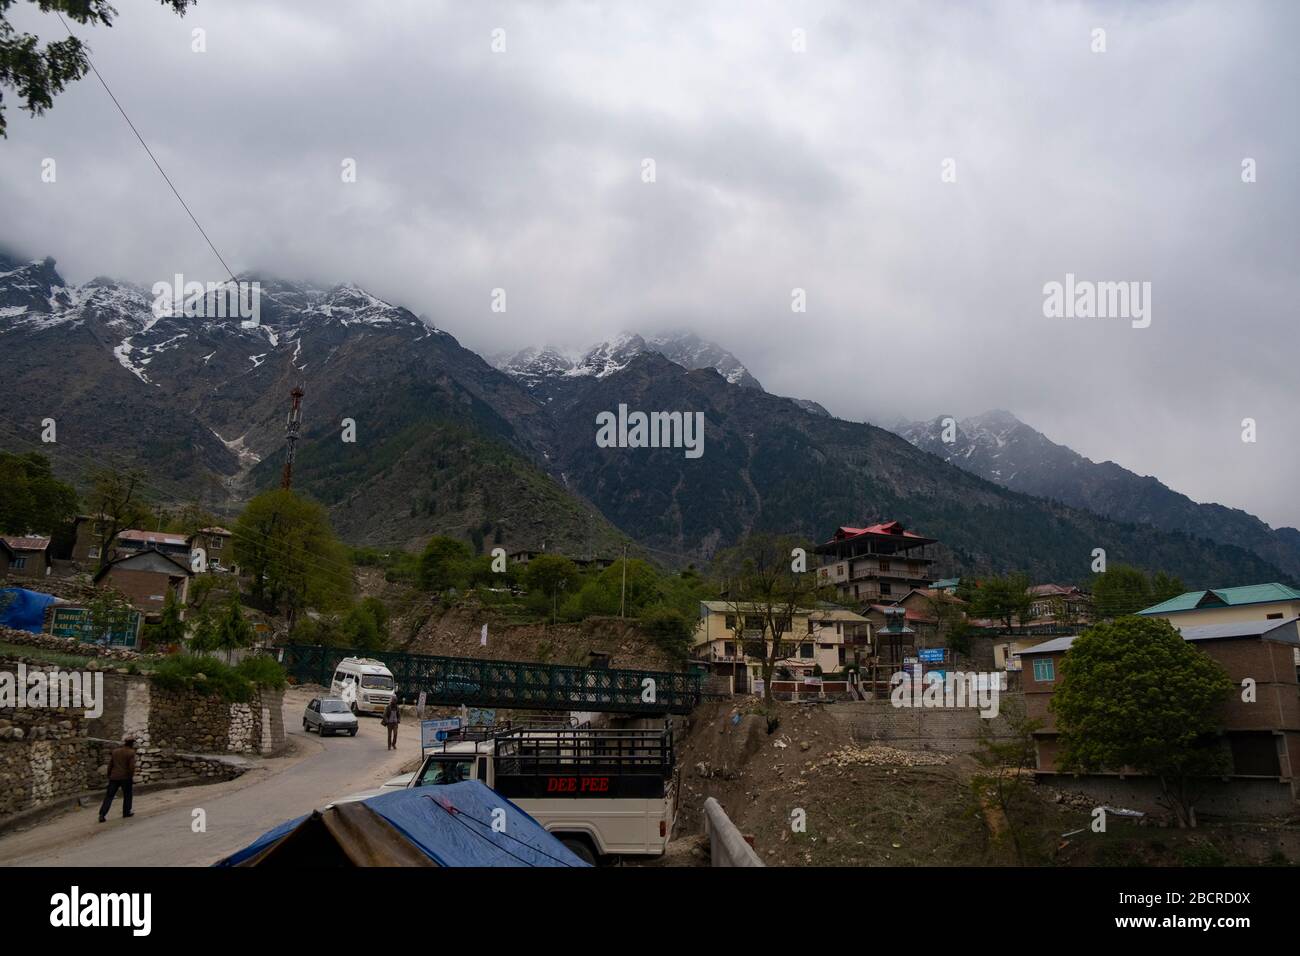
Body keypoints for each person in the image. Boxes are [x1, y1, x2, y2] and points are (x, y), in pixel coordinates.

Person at [99, 737, 137, 822]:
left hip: (114, 777)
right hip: (125, 777)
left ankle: (102, 814)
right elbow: (131, 767)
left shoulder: (115, 751)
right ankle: (126, 812)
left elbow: (110, 765)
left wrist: (109, 774)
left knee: (109, 796)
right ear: (132, 744)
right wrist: (131, 776)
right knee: (127, 795)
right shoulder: (131, 753)